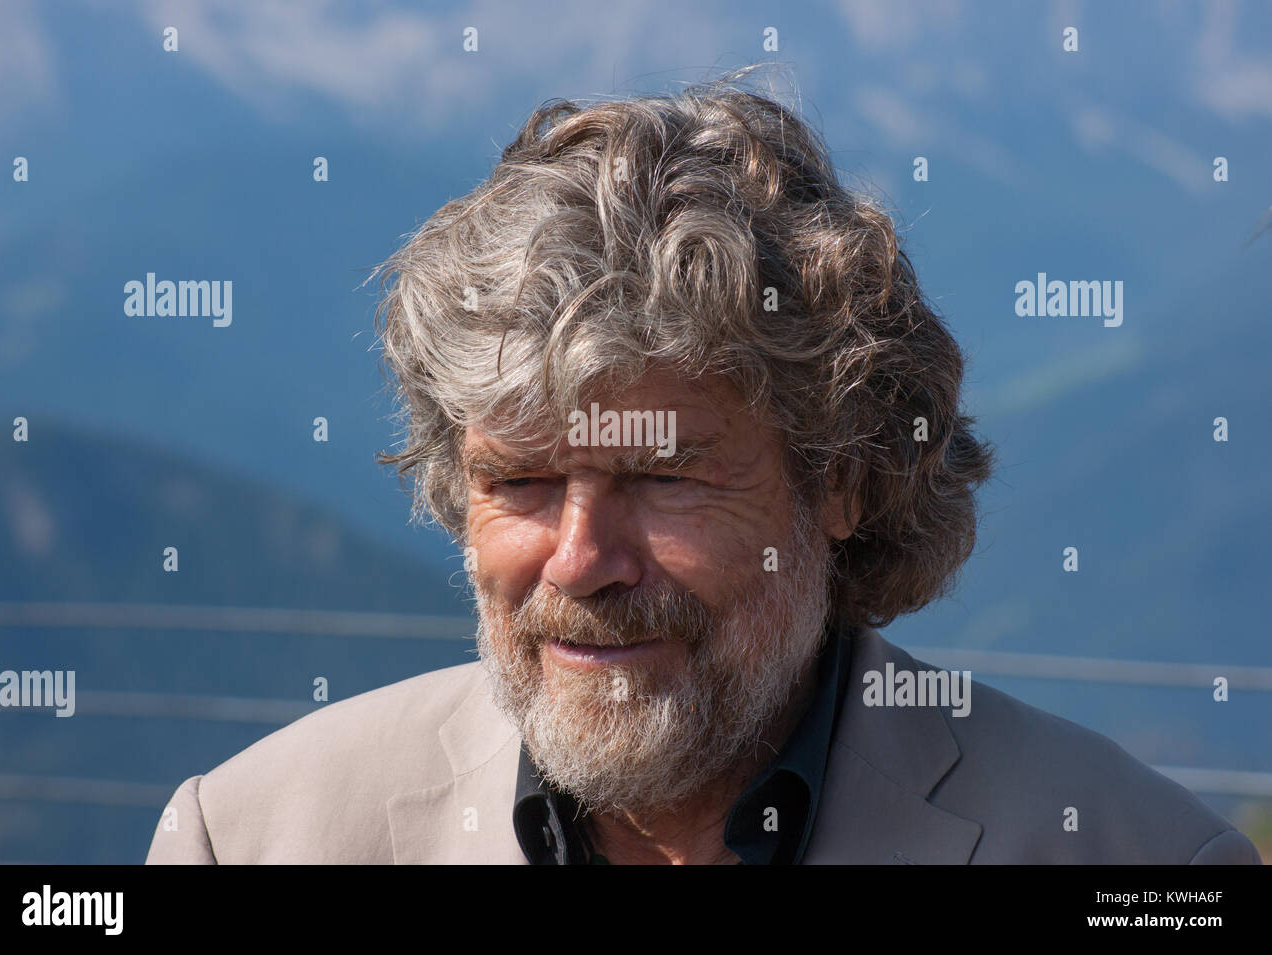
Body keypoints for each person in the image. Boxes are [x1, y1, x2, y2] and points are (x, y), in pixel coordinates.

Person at [145, 70, 1261, 865]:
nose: (580, 561)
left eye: (661, 477)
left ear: (843, 480)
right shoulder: (251, 836)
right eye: (521, 481)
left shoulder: (1136, 857)